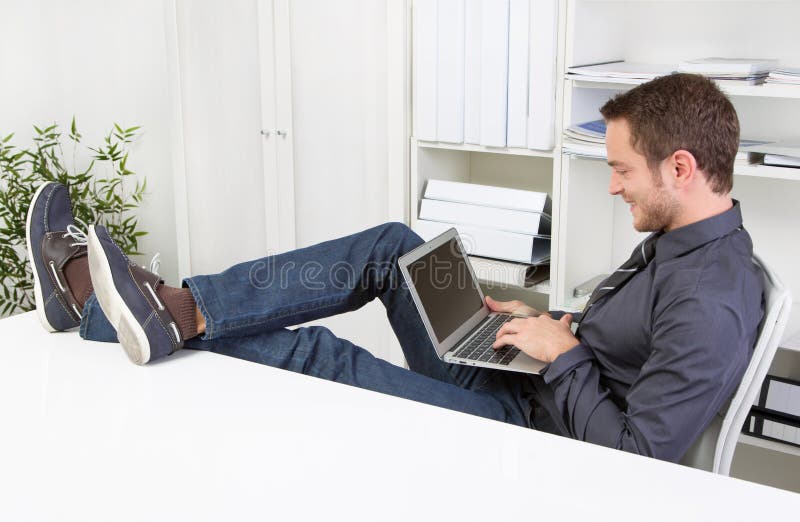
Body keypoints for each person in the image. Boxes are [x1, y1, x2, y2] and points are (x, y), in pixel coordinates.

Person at [25, 73, 764, 463]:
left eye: (621, 170)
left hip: (531, 430)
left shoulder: (711, 303)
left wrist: (564, 354)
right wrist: (548, 328)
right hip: (530, 379)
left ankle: (99, 300)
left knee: (317, 353)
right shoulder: (687, 241)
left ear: (681, 166)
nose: (612, 185)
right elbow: (623, 355)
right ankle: (175, 308)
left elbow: (635, 461)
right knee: (390, 244)